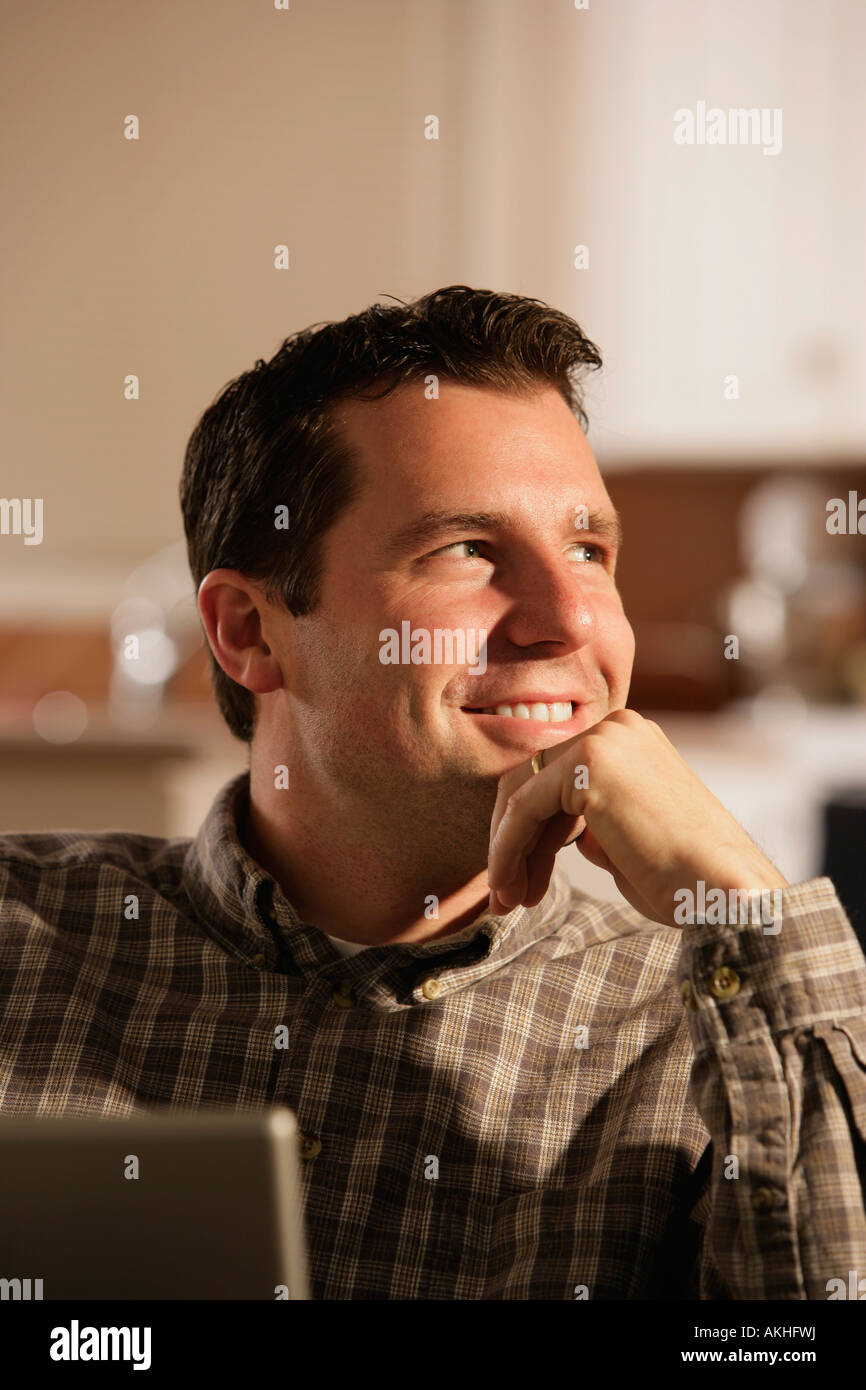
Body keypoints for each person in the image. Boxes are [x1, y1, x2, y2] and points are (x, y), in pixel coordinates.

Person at [1, 286, 864, 1299]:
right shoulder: (23, 946)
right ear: (247, 631)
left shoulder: (711, 1032)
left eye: (589, 551)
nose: (566, 619)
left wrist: (746, 910)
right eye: (463, 549)